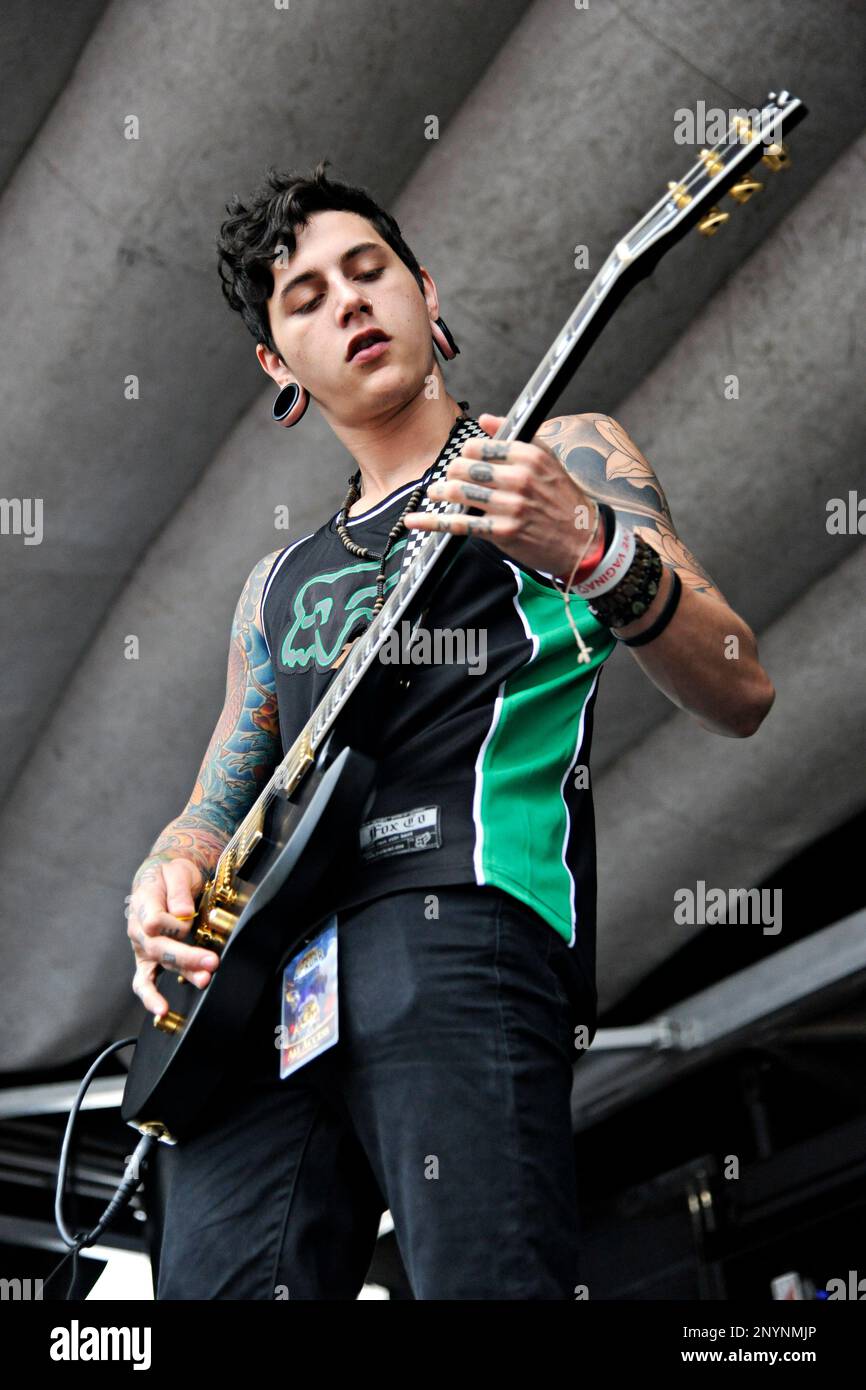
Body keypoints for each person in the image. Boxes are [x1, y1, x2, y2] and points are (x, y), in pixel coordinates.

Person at [126, 160, 775, 1300]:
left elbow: (741, 686)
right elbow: (218, 795)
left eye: (368, 271)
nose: (348, 302)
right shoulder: (273, 584)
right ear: (278, 368)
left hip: (455, 917)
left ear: (427, 292)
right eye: (307, 296)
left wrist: (591, 550)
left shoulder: (558, 456)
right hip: (261, 989)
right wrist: (167, 872)